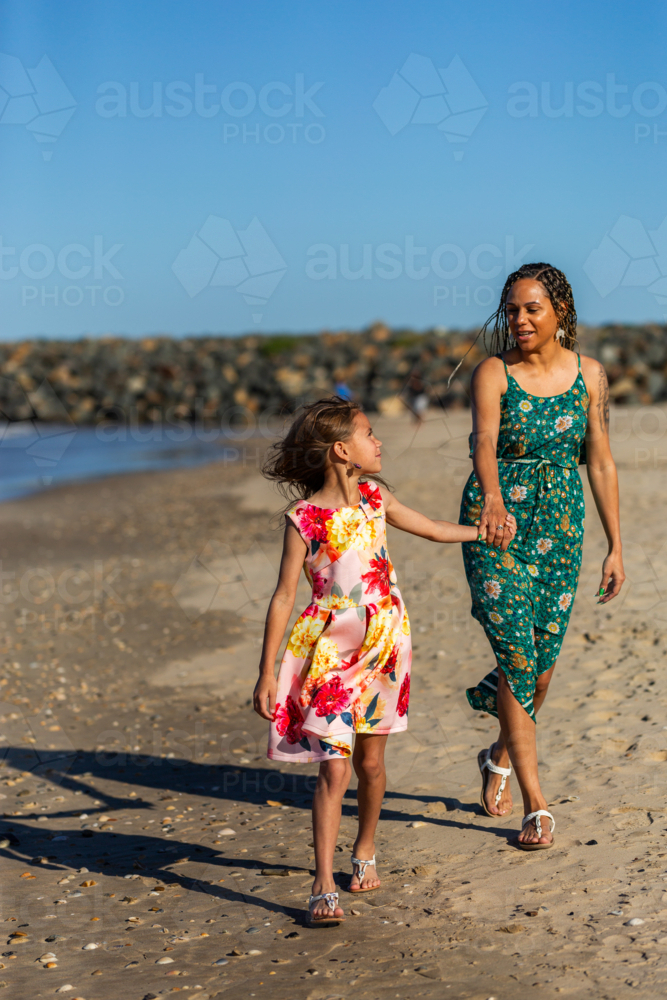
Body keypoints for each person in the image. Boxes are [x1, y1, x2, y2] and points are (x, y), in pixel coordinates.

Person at [253, 397, 516, 925]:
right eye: (369, 434)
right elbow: (283, 596)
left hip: (384, 647)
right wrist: (266, 672)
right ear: (342, 450)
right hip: (328, 650)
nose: (379, 443)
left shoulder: (376, 497)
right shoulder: (304, 519)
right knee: (335, 769)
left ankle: (365, 847)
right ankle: (323, 880)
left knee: (372, 764)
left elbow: (435, 528)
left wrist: (484, 531)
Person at [457, 262, 625, 849]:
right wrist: (495, 504)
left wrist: (615, 546)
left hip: (561, 523)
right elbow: (482, 442)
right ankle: (534, 803)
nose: (520, 319)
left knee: (540, 664)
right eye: (512, 309)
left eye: (531, 308)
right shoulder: (493, 372)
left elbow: (599, 460)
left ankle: (497, 755)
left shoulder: (590, 376)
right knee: (518, 655)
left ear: (560, 312)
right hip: (496, 522)